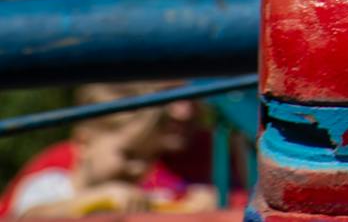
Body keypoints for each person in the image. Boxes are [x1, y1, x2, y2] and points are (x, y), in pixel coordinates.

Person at [0, 84, 216, 218]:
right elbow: (27, 216)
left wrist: (196, 202)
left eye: (148, 158)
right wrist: (94, 201)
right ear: (84, 143)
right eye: (128, 155)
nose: (139, 168)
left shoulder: (134, 194)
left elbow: (168, 203)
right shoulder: (50, 186)